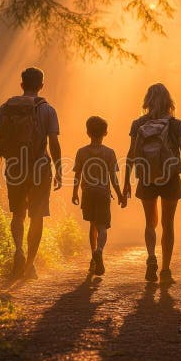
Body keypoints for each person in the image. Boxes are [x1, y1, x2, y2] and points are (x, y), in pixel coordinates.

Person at [0, 67, 62, 280]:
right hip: (40, 166)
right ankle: (29, 265)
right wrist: (58, 169)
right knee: (37, 217)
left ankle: (19, 250)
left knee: (17, 214)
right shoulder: (48, 110)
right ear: (41, 86)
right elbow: (54, 143)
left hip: (14, 166)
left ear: (21, 85)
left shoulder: (6, 108)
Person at [123, 83, 181, 284]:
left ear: (147, 101)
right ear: (168, 101)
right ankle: (165, 270)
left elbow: (131, 154)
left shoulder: (138, 124)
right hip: (170, 177)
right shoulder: (175, 124)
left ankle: (150, 257)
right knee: (168, 224)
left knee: (150, 223)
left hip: (146, 177)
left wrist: (126, 182)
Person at [72, 116, 127, 276]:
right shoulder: (109, 153)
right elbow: (113, 178)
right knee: (102, 227)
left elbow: (77, 175)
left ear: (88, 132)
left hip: (87, 192)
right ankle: (99, 251)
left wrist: (75, 192)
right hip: (103, 192)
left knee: (92, 225)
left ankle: (93, 258)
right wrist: (120, 195)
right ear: (106, 133)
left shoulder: (81, 152)